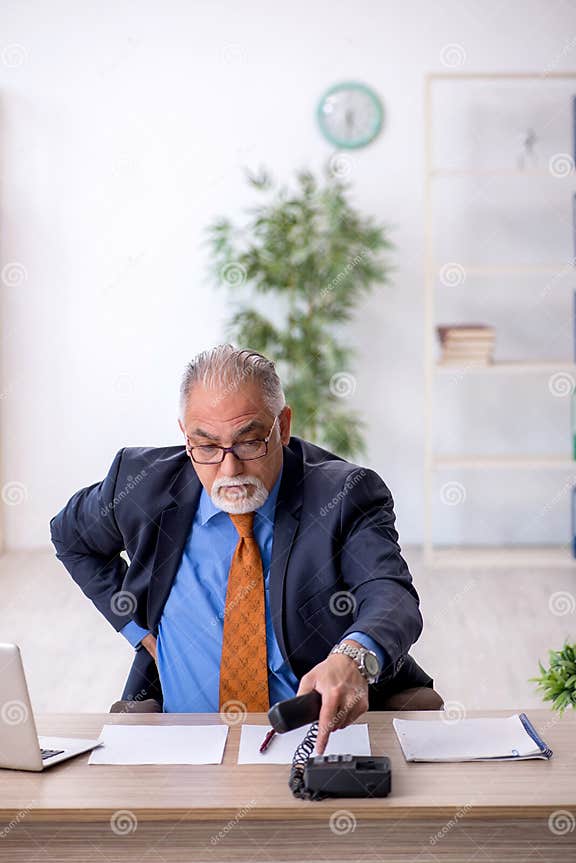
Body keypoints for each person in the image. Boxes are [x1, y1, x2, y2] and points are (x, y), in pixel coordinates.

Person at [50, 345, 443, 754]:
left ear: (283, 426)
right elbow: (70, 538)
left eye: (250, 442)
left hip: (314, 736)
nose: (229, 469)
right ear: (185, 435)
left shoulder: (344, 495)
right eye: (206, 447)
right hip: (186, 743)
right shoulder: (139, 485)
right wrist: (136, 627)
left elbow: (390, 594)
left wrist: (354, 656)